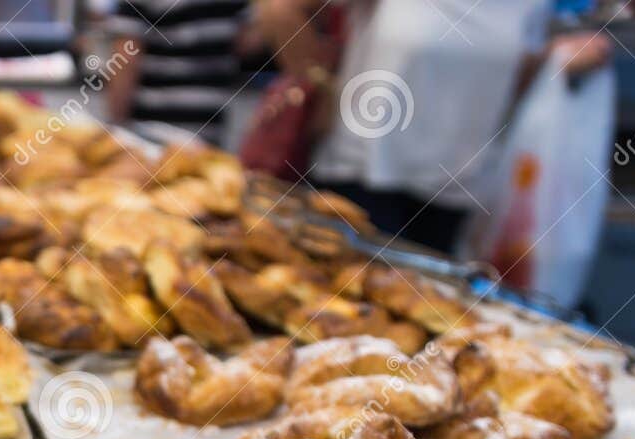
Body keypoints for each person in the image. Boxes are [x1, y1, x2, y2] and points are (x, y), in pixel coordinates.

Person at [254, 0, 611, 253]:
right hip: (364, 172)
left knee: (424, 316)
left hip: (457, 181)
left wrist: (558, 59)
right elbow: (280, 9)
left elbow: (513, 74)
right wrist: (320, 85)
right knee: (342, 304)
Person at [103, 0, 257, 135]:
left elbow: (126, 59)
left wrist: (115, 127)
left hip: (151, 131)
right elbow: (246, 45)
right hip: (208, 126)